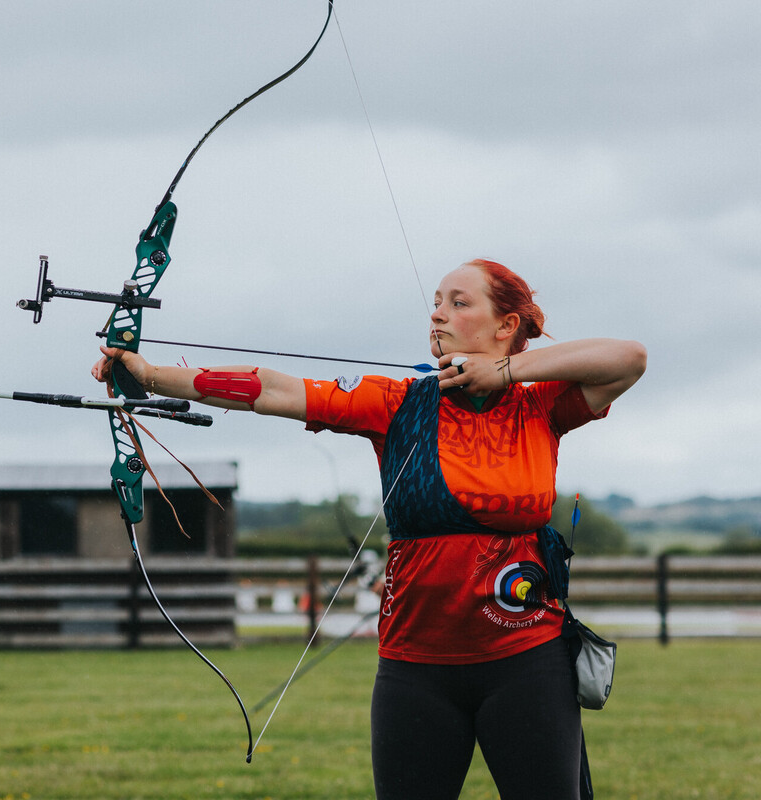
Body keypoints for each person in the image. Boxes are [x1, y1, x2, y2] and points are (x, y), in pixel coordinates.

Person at [93, 259, 646, 800]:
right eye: (435, 303)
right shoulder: (397, 402)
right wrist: (150, 374)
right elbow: (274, 389)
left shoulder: (542, 406)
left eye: (458, 303)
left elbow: (629, 358)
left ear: (506, 326)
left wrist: (504, 372)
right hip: (416, 666)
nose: (438, 315)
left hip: (528, 659)